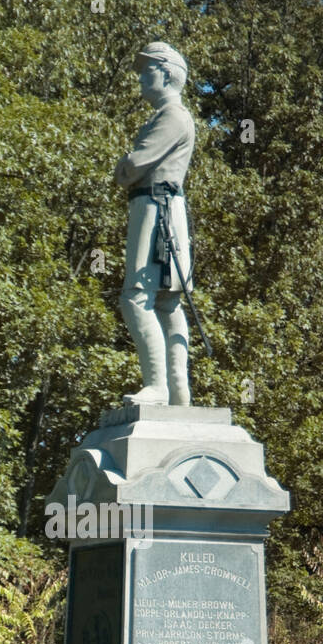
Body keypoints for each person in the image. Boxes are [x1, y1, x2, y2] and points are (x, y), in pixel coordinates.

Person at [114, 41, 196, 406]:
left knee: (136, 298)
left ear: (166, 72)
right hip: (161, 206)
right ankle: (177, 391)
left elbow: (132, 167)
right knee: (165, 302)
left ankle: (160, 388)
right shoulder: (169, 116)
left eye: (147, 70)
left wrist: (124, 167)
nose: (142, 78)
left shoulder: (171, 116)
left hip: (155, 206)